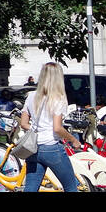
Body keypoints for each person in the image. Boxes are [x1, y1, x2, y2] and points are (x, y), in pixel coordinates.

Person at [19, 62, 82, 191]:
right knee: (71, 187)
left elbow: (23, 123)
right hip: (51, 147)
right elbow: (57, 128)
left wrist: (36, 129)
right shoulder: (59, 98)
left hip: (33, 148)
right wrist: (74, 140)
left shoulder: (31, 96)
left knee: (30, 188)